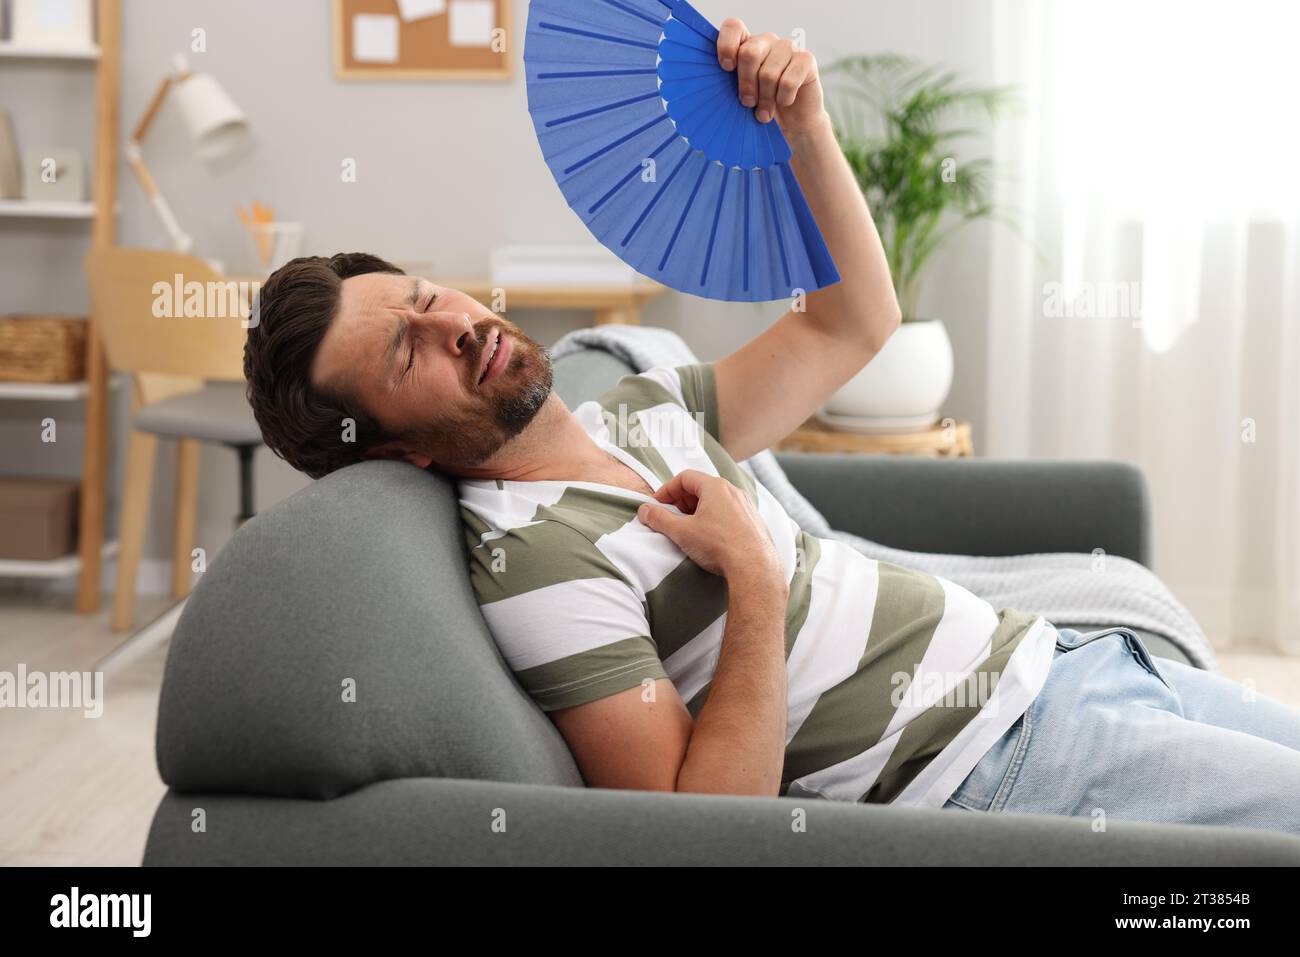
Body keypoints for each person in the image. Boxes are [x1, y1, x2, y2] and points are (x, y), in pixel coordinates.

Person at [242, 18, 1300, 833]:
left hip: (1068, 666)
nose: (453, 327)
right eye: (402, 352)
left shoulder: (640, 408)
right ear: (390, 448)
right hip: (1003, 764)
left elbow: (854, 322)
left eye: (427, 297)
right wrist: (752, 580)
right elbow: (700, 829)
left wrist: (805, 127)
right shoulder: (535, 571)